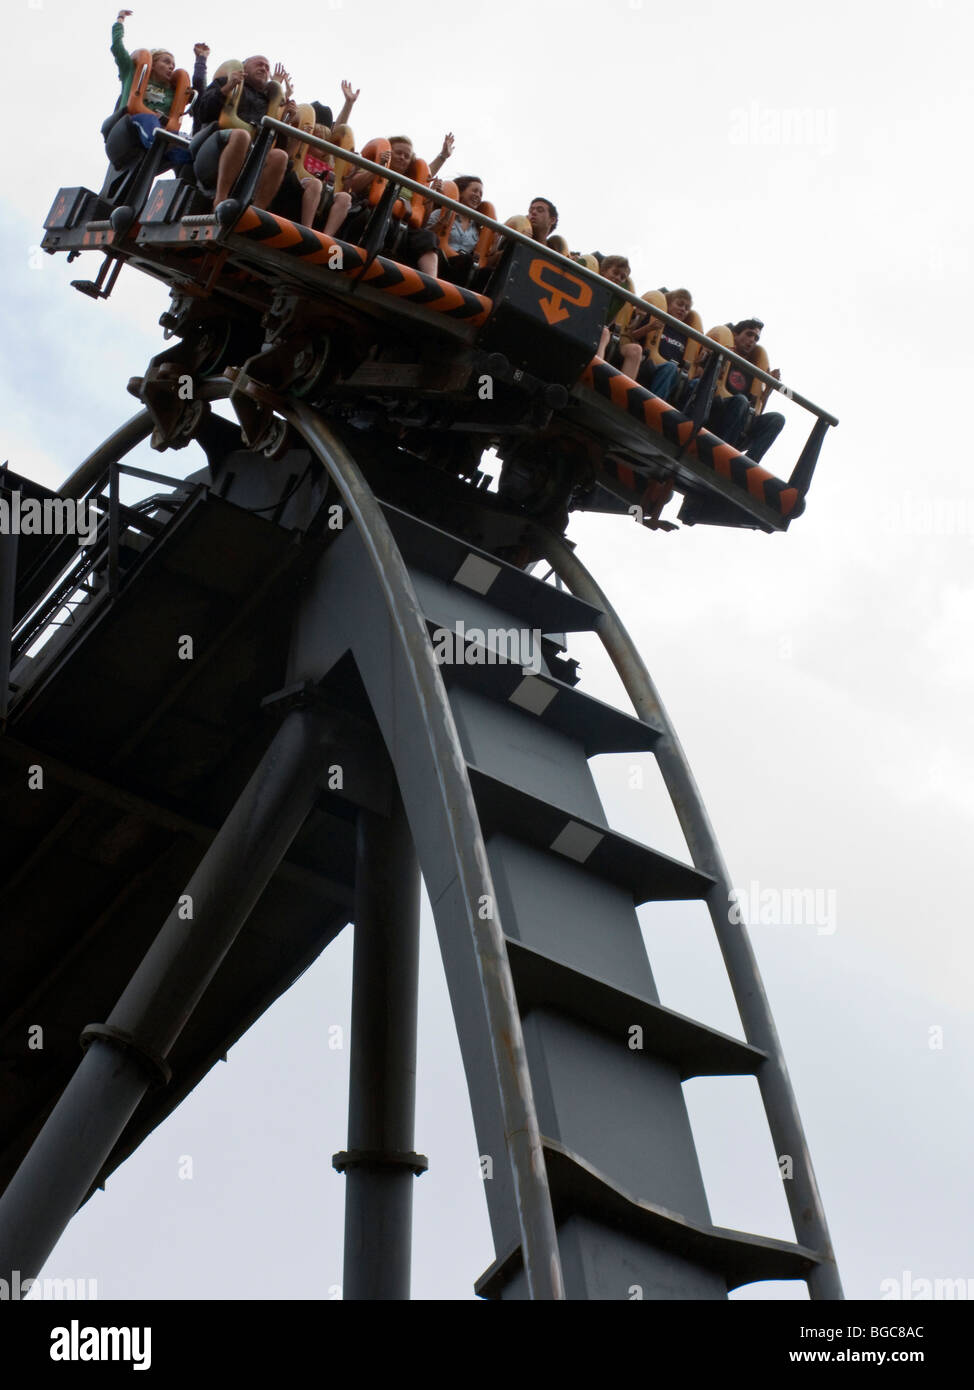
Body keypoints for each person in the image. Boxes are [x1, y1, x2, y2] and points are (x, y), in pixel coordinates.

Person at [190, 55, 294, 211]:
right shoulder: (224, 83)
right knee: (241, 136)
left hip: (249, 159)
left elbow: (277, 144)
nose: (263, 68)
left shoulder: (269, 103)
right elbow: (203, 112)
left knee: (280, 156)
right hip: (212, 154)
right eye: (259, 64)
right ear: (244, 68)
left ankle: (256, 211)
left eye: (267, 67)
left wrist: (285, 119)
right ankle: (219, 201)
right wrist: (227, 88)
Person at [104, 10, 198, 169]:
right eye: (166, 62)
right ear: (153, 64)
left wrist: (200, 60)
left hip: (163, 132)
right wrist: (119, 21)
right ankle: (160, 144)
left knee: (190, 149)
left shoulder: (173, 92)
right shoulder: (133, 75)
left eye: (173, 65)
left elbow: (200, 94)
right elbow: (117, 48)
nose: (170, 67)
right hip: (129, 127)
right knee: (151, 121)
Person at [704, 318, 784, 460]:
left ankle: (748, 464)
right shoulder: (723, 350)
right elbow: (699, 376)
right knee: (741, 401)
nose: (752, 340)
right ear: (735, 335)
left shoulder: (753, 369)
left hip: (739, 422)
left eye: (756, 338)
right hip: (713, 411)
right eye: (749, 334)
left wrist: (768, 389)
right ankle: (721, 454)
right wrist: (718, 361)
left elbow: (757, 408)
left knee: (777, 419)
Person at [429, 175, 486, 283]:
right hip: (441, 260)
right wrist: (442, 222)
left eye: (480, 194)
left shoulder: (477, 229)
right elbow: (426, 235)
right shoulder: (440, 213)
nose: (478, 196)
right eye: (474, 191)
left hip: (462, 267)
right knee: (465, 260)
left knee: (479, 267)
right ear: (461, 192)